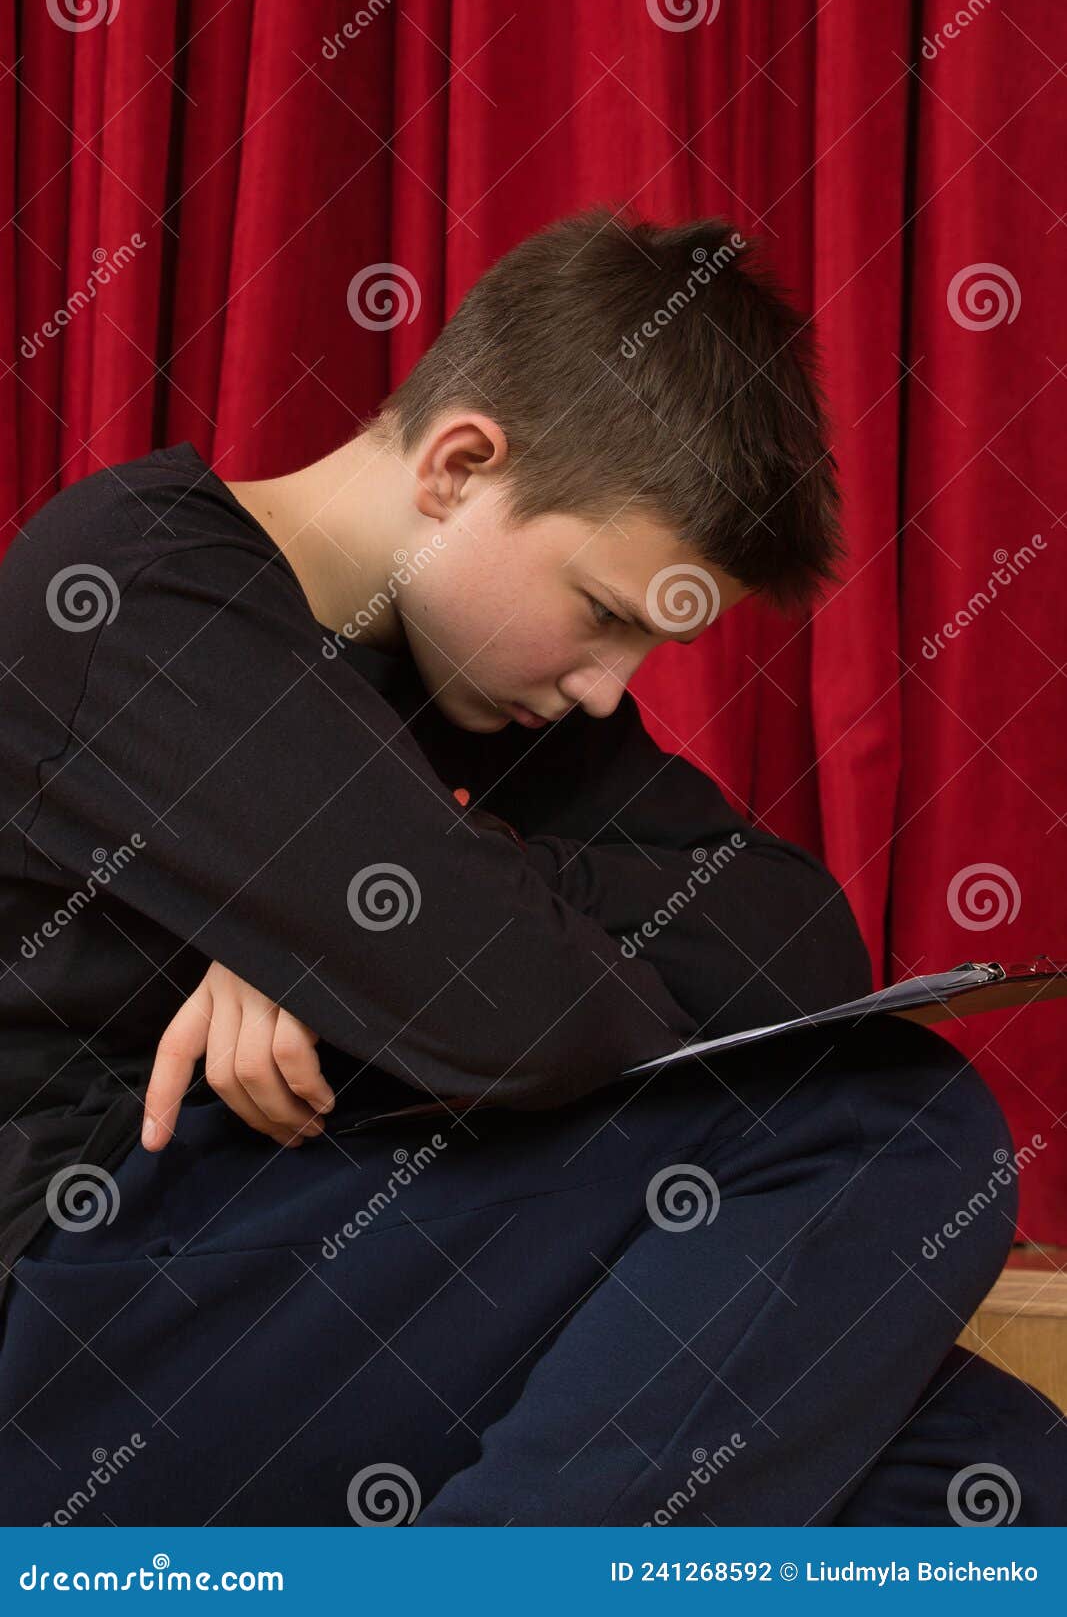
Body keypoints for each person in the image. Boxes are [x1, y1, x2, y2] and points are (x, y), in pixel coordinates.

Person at [0, 207, 1063, 1526]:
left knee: (1003, 1476)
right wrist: (400, 931)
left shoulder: (482, 684)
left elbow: (795, 944)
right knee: (902, 1126)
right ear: (457, 466)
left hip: (318, 1287)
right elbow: (509, 1009)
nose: (606, 691)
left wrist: (391, 904)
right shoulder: (132, 589)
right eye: (606, 613)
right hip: (81, 1338)